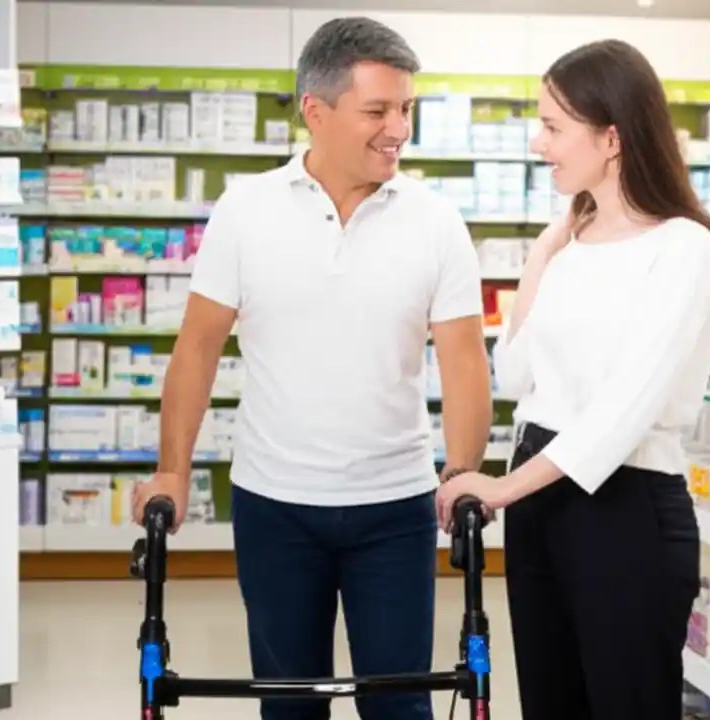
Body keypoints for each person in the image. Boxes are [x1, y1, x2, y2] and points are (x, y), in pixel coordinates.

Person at [131, 16, 492, 720]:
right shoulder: (246, 209)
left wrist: (462, 472)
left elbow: (463, 359)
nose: (399, 129)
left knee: (400, 707)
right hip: (274, 508)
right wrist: (172, 470)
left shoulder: (435, 220)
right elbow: (198, 346)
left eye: (407, 109)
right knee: (289, 705)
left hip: (395, 507)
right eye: (378, 111)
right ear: (315, 111)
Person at [435, 39, 710, 720]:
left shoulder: (682, 246)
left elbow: (623, 412)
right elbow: (517, 376)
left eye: (552, 126)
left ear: (612, 137)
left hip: (624, 509)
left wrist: (504, 487)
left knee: (626, 704)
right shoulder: (571, 243)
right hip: (544, 505)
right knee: (550, 702)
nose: (539, 142)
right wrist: (545, 250)